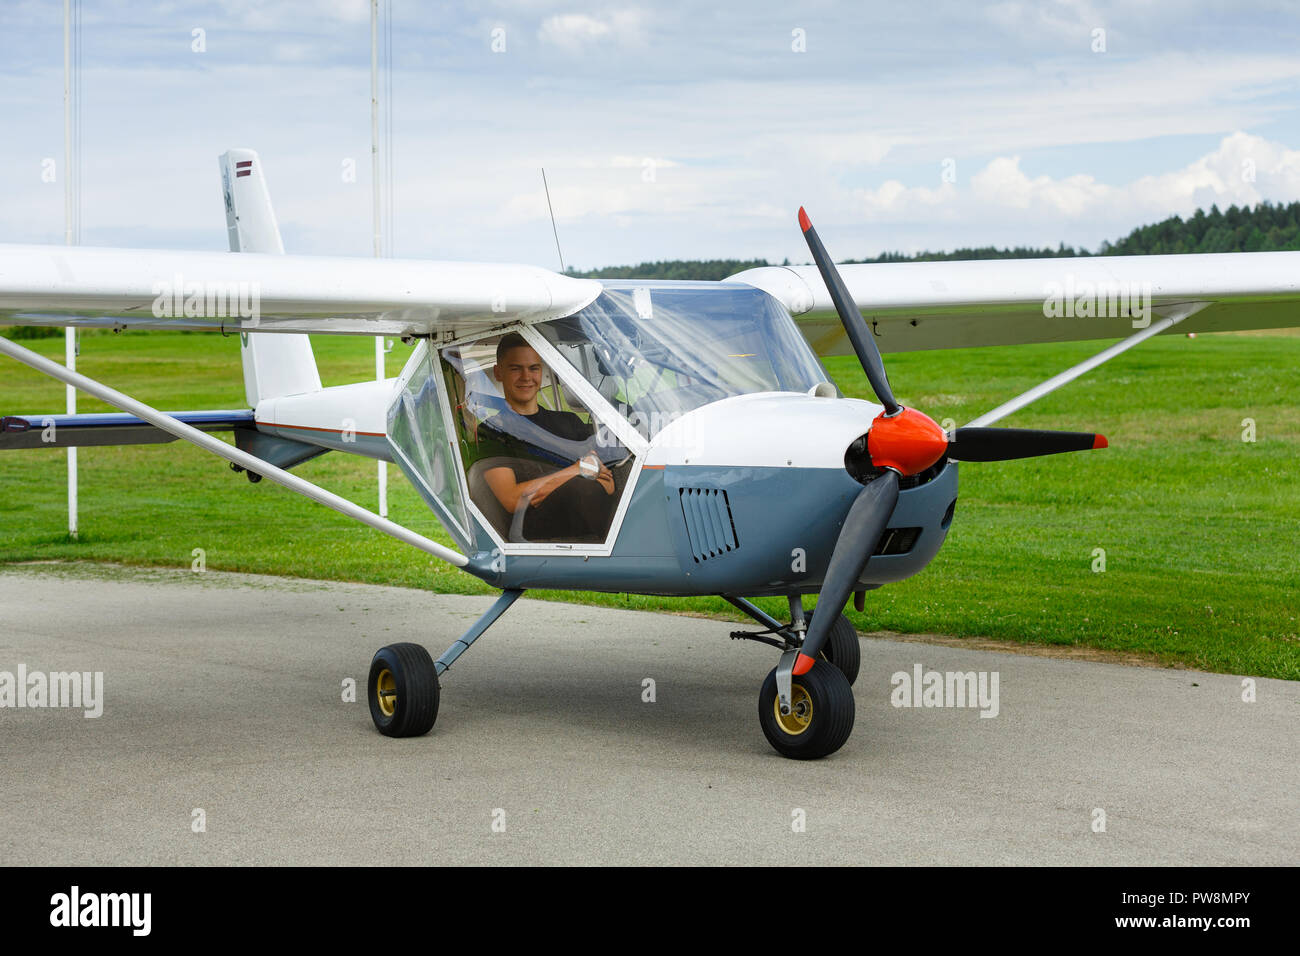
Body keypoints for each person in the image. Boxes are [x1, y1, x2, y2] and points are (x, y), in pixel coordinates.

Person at [471, 333, 616, 541]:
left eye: (533, 368)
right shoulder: (493, 430)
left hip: (592, 530)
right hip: (537, 536)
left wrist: (544, 487)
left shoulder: (571, 422)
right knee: (582, 487)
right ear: (498, 372)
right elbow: (513, 499)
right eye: (515, 368)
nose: (526, 377)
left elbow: (608, 484)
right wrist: (577, 470)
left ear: (542, 371)